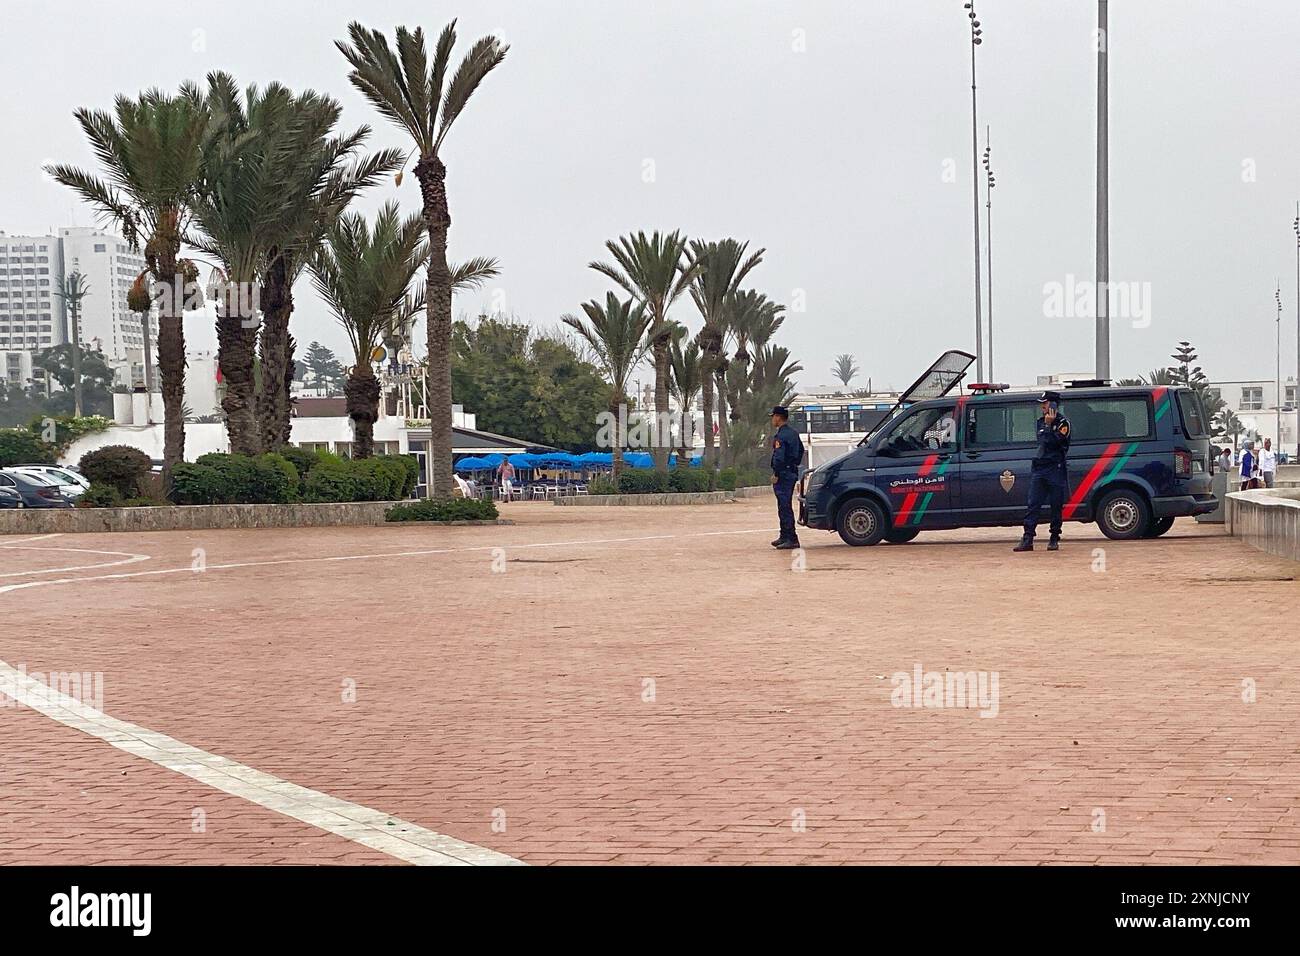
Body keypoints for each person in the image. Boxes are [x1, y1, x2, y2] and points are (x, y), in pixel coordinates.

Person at [1014, 390, 1071, 552]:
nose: (1042, 407)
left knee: (1056, 504)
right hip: (1040, 468)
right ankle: (1028, 539)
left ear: (1053, 405)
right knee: (1033, 504)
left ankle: (1054, 538)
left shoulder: (1063, 424)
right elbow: (1043, 441)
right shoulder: (1041, 422)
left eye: (1045, 404)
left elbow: (1055, 443)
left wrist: (1049, 426)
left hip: (1055, 468)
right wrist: (1047, 426)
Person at [769, 405, 805, 550]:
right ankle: (784, 535)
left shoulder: (781, 436)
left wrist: (776, 474)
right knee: (783, 505)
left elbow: (779, 457)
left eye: (773, 416)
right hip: (791, 472)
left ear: (778, 417)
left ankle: (791, 538)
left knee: (784, 506)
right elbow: (801, 450)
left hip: (783, 474)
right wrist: (794, 463)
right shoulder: (793, 433)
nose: (772, 419)